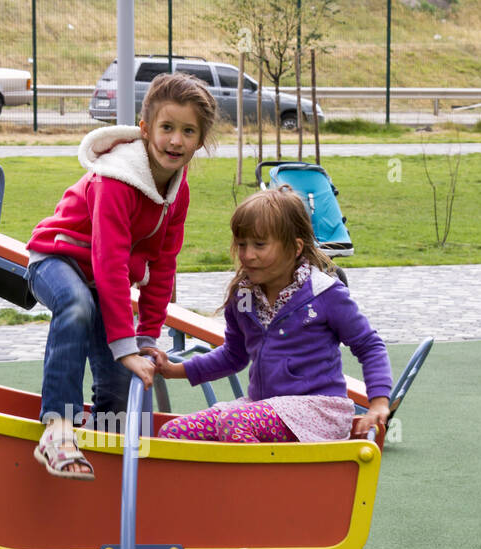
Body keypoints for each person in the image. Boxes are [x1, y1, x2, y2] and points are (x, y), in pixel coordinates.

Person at [26, 72, 218, 479]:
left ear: (200, 141)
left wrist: (145, 338)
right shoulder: (118, 180)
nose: (176, 141)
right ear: (146, 128)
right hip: (56, 259)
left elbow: (163, 263)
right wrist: (124, 340)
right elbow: (110, 263)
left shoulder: (177, 191)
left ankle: (109, 453)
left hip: (99, 279)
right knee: (77, 307)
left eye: (188, 132)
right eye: (167, 128)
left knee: (120, 373)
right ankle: (57, 429)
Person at [151, 187, 392, 443]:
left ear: (295, 247)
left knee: (235, 423)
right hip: (263, 407)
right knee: (174, 433)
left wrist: (378, 402)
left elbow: (369, 345)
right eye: (242, 244)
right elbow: (233, 355)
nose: (247, 255)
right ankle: (224, 483)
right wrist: (173, 370)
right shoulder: (244, 296)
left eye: (259, 245)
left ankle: (259, 484)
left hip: (318, 410)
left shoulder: (324, 294)